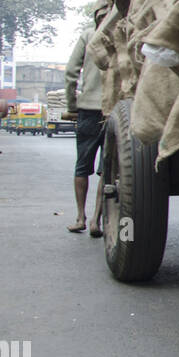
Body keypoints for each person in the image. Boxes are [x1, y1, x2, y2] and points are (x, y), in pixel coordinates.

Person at [65, 27, 106, 236]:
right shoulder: (126, 30)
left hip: (88, 110)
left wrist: (72, 105)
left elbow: (71, 72)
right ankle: (95, 221)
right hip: (116, 111)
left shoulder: (89, 35)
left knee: (82, 165)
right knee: (107, 169)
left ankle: (80, 217)